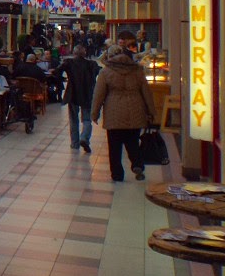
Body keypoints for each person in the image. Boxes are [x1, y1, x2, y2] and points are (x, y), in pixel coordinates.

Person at [91, 45, 156, 182]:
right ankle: (137, 164)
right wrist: (151, 111)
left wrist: (94, 113)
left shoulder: (106, 72)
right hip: (135, 108)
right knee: (132, 141)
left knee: (114, 147)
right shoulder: (137, 71)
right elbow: (147, 92)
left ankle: (117, 174)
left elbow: (99, 95)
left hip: (114, 111)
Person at [55, 45, 100, 152]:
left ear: (74, 53)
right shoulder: (92, 64)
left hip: (73, 93)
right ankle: (84, 137)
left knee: (73, 119)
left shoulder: (69, 63)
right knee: (87, 119)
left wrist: (63, 78)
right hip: (87, 94)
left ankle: (74, 143)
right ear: (85, 53)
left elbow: (57, 71)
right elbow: (98, 72)